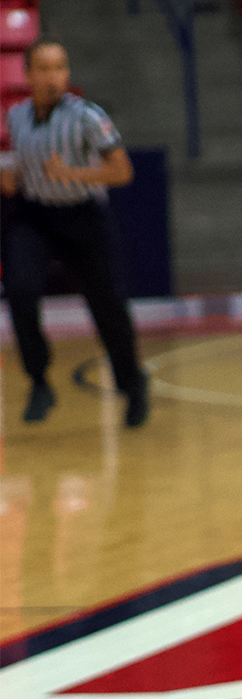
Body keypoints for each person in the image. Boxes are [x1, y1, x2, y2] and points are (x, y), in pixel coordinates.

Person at [2, 38, 147, 428]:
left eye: (61, 67)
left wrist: (74, 173)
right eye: (45, 69)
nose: (54, 77)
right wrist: (10, 178)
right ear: (29, 74)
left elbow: (123, 171)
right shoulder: (15, 117)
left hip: (82, 217)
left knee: (108, 306)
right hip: (34, 216)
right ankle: (39, 381)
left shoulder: (88, 117)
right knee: (19, 290)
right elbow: (18, 170)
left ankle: (133, 384)